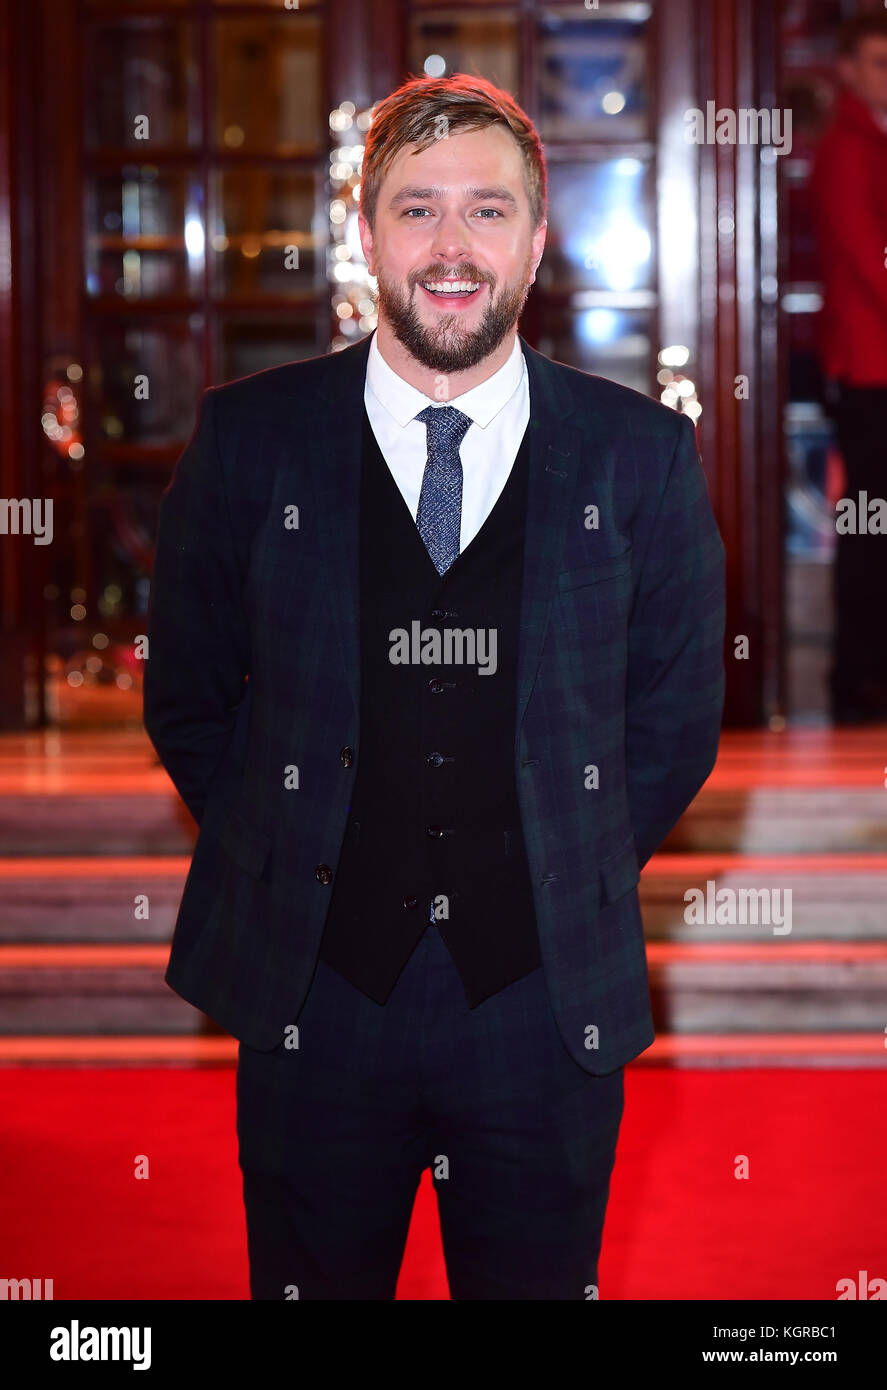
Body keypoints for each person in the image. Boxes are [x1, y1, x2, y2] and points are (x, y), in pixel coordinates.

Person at [143, 73, 726, 1300]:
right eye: (416, 210)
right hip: (313, 999)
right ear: (364, 233)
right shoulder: (250, 439)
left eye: (485, 211)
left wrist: (562, 861)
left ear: (536, 234)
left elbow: (670, 721)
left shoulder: (639, 458)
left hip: (541, 1010)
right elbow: (190, 697)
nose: (451, 248)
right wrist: (287, 840)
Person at [811, 15, 887, 723]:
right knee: (869, 532)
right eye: (877, 60)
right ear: (848, 70)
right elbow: (870, 267)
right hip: (870, 373)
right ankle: (859, 680)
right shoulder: (847, 148)